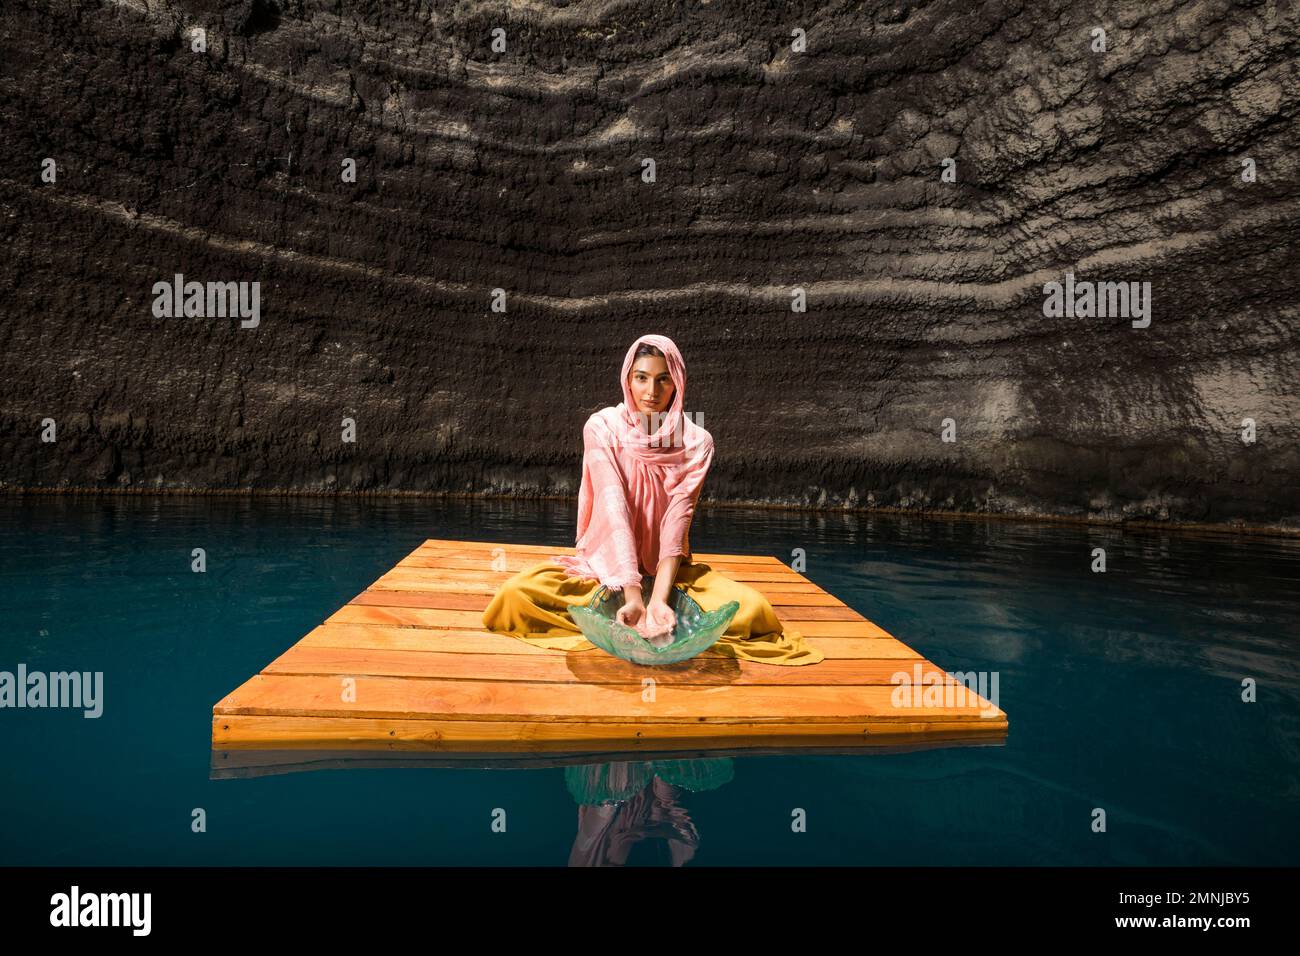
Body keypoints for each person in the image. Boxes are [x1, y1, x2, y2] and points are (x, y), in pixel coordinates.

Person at [481, 333, 824, 665]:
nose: (651, 391)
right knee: (514, 597)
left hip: (668, 570)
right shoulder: (602, 427)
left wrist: (658, 600)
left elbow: (678, 521)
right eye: (641, 378)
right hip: (607, 569)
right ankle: (629, 617)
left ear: (677, 383)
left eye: (664, 379)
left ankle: (639, 618)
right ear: (627, 380)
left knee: (756, 611)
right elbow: (615, 513)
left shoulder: (697, 442)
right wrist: (632, 595)